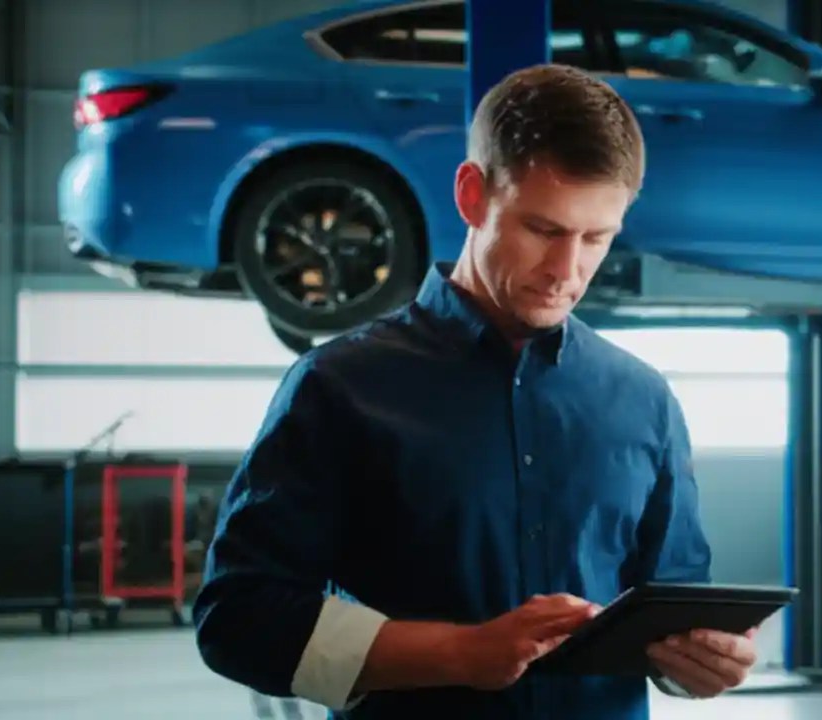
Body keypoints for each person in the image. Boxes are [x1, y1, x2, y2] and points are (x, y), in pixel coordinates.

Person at [192, 63, 759, 719]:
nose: (565, 271)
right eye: (543, 230)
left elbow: (672, 606)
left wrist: (703, 664)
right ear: (471, 196)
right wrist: (460, 654)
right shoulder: (339, 387)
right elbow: (238, 619)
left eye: (596, 238)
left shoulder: (644, 400)